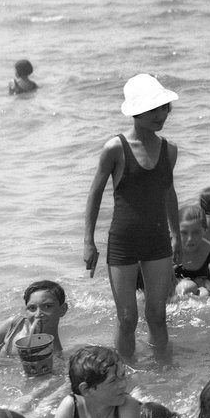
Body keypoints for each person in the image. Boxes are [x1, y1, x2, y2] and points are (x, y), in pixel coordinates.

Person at [83, 73, 181, 363]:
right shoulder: (115, 147)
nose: (160, 115)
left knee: (157, 316)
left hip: (157, 240)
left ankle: (165, 376)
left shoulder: (170, 150)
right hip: (123, 241)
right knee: (127, 318)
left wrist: (176, 234)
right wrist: (88, 241)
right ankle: (123, 375)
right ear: (135, 111)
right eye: (153, 109)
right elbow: (95, 194)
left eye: (163, 108)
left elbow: (169, 193)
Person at [44, 345, 174, 418]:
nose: (123, 384)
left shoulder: (128, 407)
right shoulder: (70, 406)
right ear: (86, 389)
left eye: (123, 375)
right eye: (113, 381)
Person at [0, 279, 68, 358]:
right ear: (26, 311)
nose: (38, 314)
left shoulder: (55, 354)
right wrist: (1, 362)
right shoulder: (15, 324)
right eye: (32, 308)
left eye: (47, 306)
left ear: (62, 310)